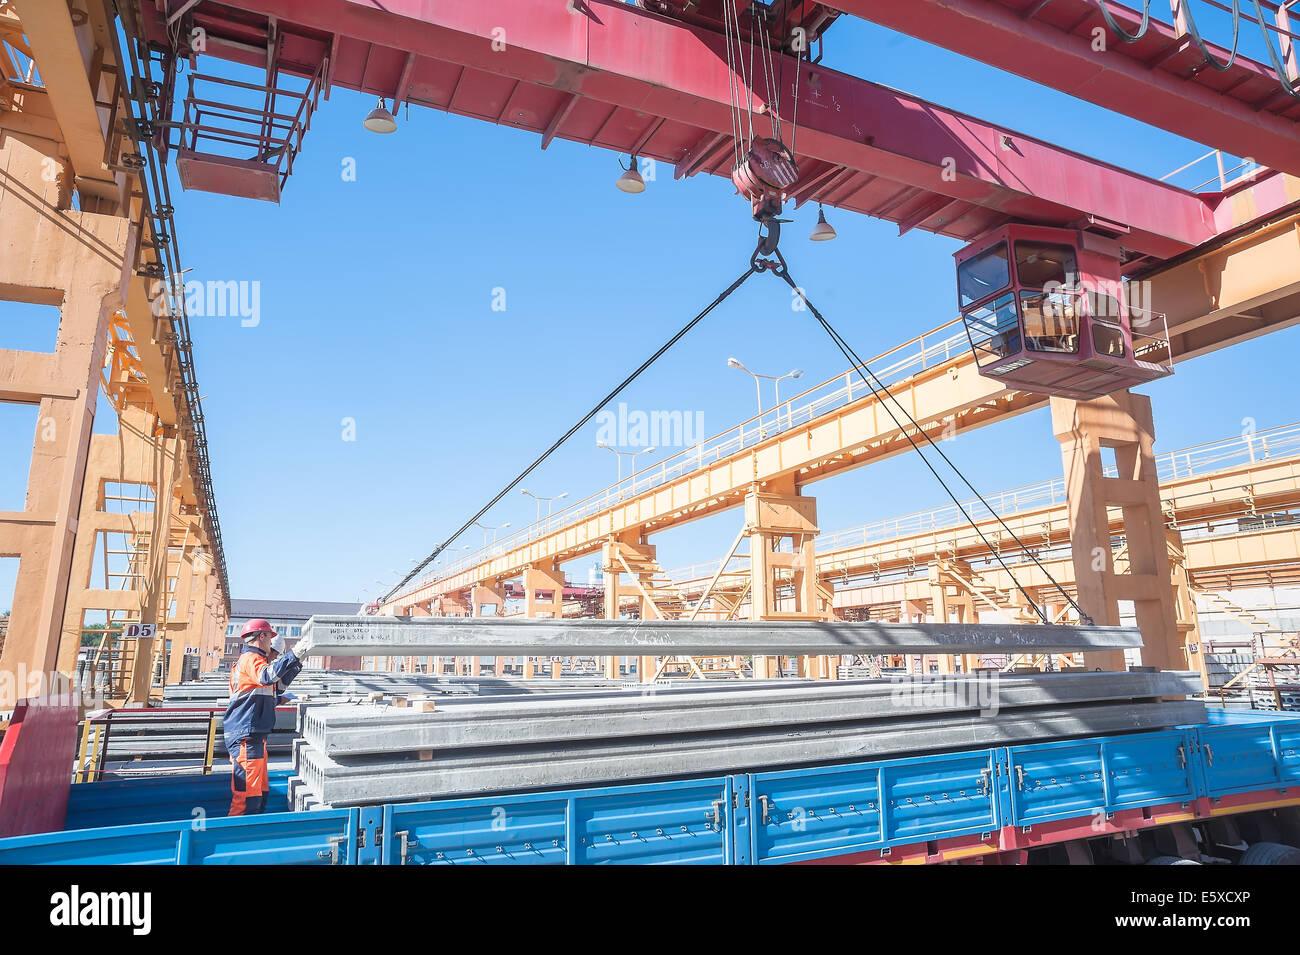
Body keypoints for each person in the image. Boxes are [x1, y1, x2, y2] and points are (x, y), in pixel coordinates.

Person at [224, 619, 307, 815]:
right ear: (262, 636)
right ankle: (233, 840)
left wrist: (297, 663)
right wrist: (293, 655)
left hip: (255, 738)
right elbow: (267, 677)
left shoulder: (256, 663)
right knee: (246, 799)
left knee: (259, 795)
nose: (271, 643)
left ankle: (250, 837)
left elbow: (276, 687)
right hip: (246, 738)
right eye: (270, 637)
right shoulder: (251, 660)